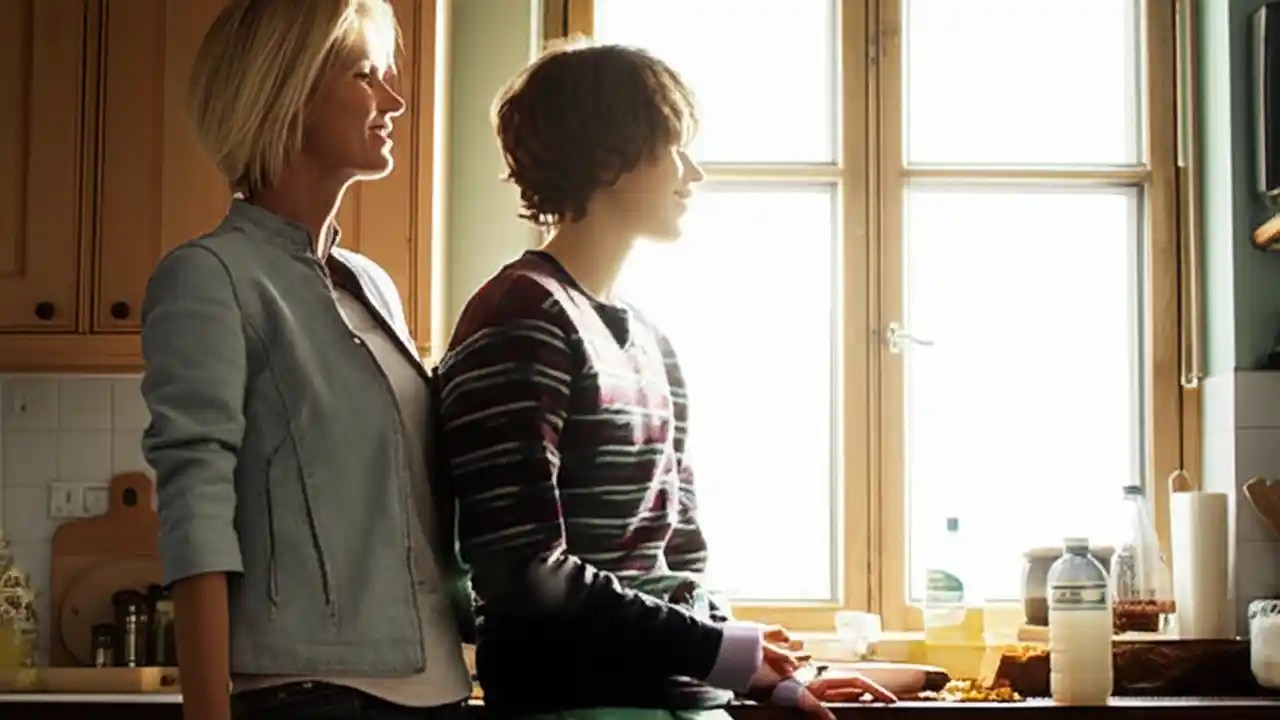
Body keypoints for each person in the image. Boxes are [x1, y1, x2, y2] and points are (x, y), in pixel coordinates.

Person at [436, 40, 897, 720]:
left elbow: (679, 557)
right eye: (674, 146)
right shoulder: (521, 317)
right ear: (606, 156)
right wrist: (719, 650)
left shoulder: (652, 342)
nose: (695, 173)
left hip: (685, 705)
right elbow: (524, 571)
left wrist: (765, 675)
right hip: (579, 705)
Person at [139, 2, 471, 719]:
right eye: (365, 75)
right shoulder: (209, 276)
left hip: (439, 690)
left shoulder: (371, 284)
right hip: (314, 695)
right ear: (285, 89)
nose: (395, 100)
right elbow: (196, 510)